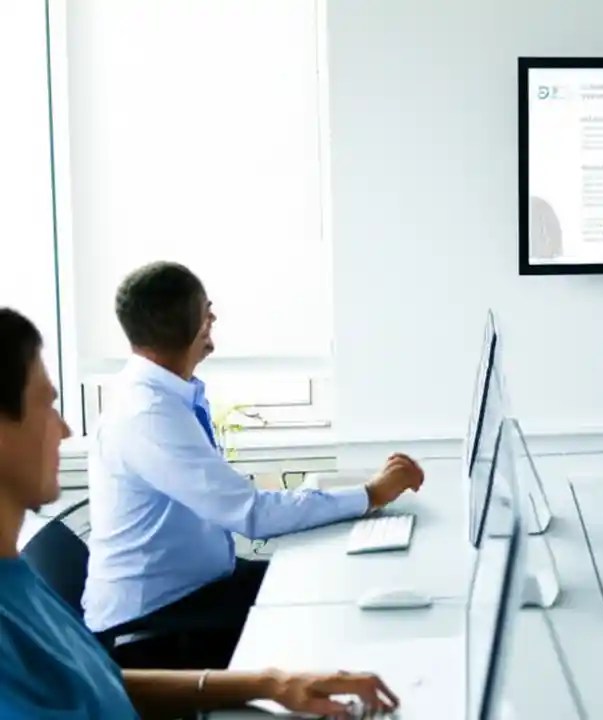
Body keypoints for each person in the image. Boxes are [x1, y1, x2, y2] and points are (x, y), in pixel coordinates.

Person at [0, 307, 399, 718]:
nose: (64, 430)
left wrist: (273, 684)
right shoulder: (146, 412)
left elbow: (96, 681)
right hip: (167, 615)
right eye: (46, 404)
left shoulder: (18, 581)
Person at [83, 262, 425, 669]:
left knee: (317, 581)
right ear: (188, 324)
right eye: (205, 309)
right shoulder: (148, 414)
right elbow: (252, 514)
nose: (212, 317)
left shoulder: (162, 394)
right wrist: (370, 495)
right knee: (319, 619)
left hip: (194, 589)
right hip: (154, 623)